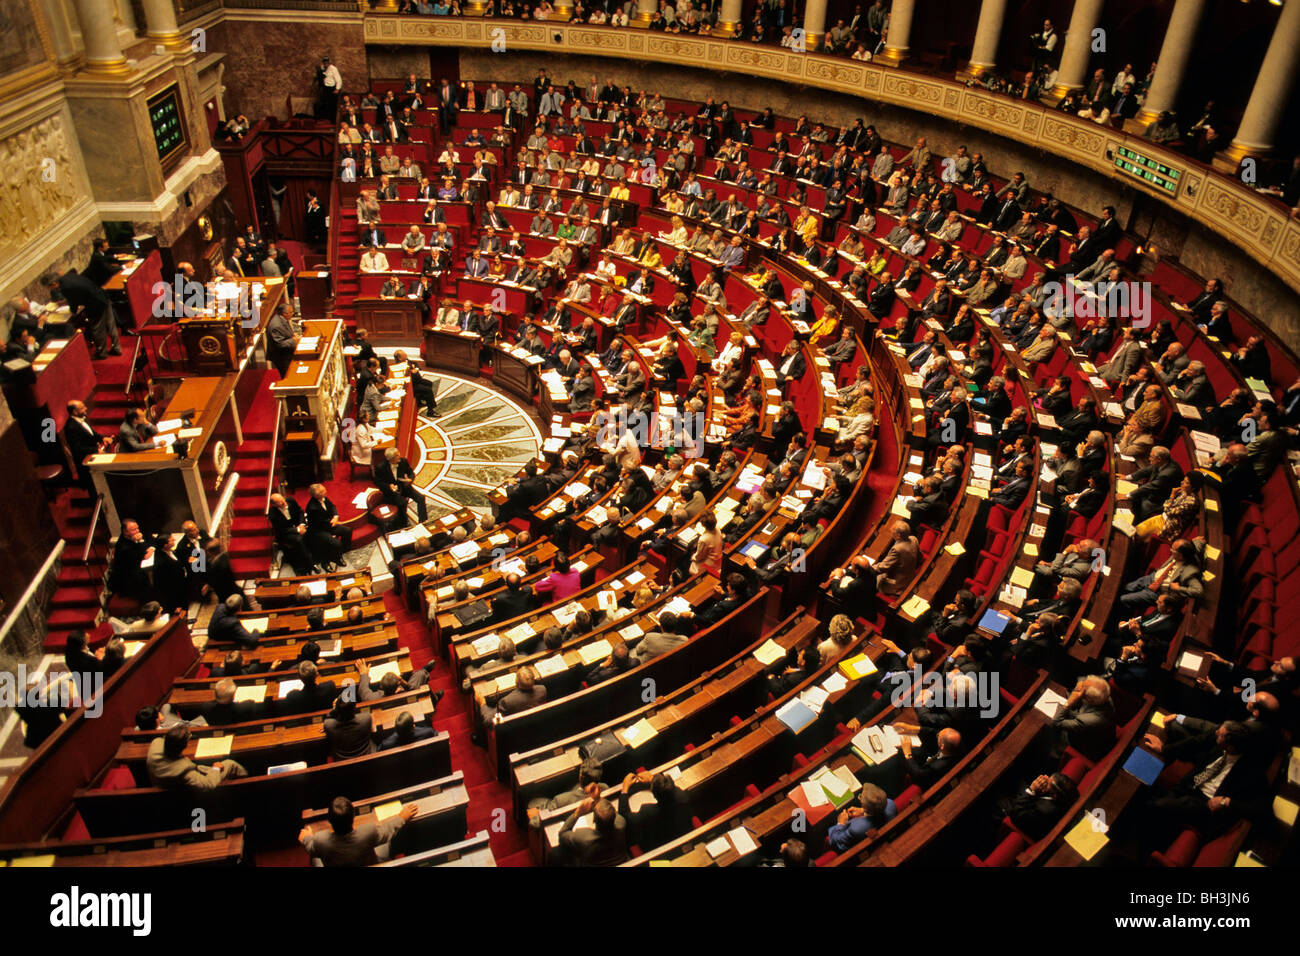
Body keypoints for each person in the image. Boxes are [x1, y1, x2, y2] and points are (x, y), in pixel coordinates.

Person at [299, 796, 417, 866]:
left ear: (329, 820)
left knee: (315, 858)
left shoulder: (321, 840)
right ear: (353, 816)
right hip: (368, 862)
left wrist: (306, 837)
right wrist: (401, 817)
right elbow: (386, 831)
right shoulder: (368, 832)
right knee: (386, 838)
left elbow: (310, 847)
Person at [146, 724, 248, 792]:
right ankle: (247, 784)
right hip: (187, 795)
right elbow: (208, 784)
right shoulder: (186, 773)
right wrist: (216, 769)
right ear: (183, 747)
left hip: (162, 784)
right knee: (230, 764)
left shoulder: (155, 745)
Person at [825, 782, 896, 852]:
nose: (860, 797)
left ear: (864, 806)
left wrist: (840, 823)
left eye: (860, 796)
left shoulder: (855, 828)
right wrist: (863, 811)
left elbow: (836, 839)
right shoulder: (890, 804)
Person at [558, 796, 628, 866]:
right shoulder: (621, 824)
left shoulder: (583, 838)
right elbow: (610, 811)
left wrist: (578, 812)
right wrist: (598, 797)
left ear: (593, 820)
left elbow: (562, 834)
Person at [374, 447, 427, 526]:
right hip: (392, 492)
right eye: (397, 456)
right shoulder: (381, 467)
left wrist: (410, 480)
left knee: (421, 498)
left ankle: (423, 522)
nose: (399, 457)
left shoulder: (403, 461)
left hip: (404, 487)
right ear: (390, 459)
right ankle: (403, 524)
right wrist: (389, 486)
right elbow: (377, 482)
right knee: (402, 504)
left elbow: (411, 473)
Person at [306, 483, 352, 570]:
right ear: (316, 495)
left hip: (329, 524)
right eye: (323, 491)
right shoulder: (312, 508)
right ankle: (336, 558)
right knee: (336, 543)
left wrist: (335, 516)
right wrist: (334, 524)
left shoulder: (323, 498)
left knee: (347, 531)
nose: (325, 492)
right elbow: (320, 523)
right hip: (319, 530)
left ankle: (343, 550)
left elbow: (332, 507)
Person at [323, 695, 374, 760]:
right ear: (355, 708)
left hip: (341, 760)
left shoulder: (328, 725)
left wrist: (334, 709)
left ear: (337, 710)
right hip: (366, 757)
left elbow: (328, 717)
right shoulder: (366, 718)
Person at [265, 302, 298, 378]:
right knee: (287, 374)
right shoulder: (276, 326)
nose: (292, 314)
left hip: (285, 353)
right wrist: (293, 340)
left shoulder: (281, 319)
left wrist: (292, 335)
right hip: (281, 356)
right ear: (284, 313)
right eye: (291, 312)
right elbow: (280, 344)